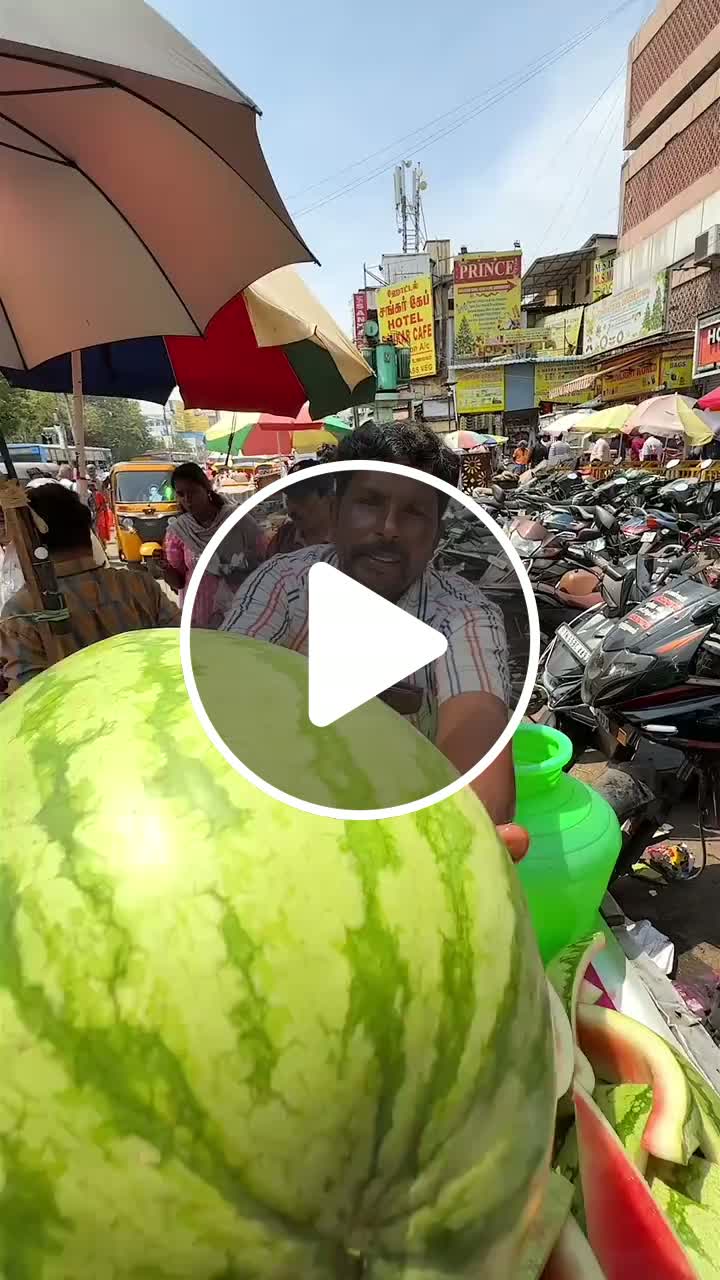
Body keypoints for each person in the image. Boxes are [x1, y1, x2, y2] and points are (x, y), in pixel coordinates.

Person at [222, 421, 516, 827]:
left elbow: (479, 756)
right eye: (370, 503)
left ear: (436, 536)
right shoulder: (284, 584)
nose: (389, 529)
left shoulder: (463, 615)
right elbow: (223, 698)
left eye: (414, 513)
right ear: (336, 512)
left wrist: (474, 828)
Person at [0, 484, 179, 695]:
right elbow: (179, 646)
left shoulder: (22, 613)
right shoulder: (141, 585)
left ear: (29, 542)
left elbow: (28, 699)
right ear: (86, 531)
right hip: (156, 707)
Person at [160, 462, 265, 628]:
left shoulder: (237, 520)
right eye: (181, 494)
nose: (187, 500)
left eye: (192, 492)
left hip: (240, 608)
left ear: (206, 488)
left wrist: (234, 571)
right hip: (199, 614)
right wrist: (164, 568)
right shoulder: (178, 531)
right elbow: (178, 582)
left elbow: (263, 559)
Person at [265, 460, 334, 558]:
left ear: (328, 498)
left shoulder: (348, 539)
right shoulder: (282, 538)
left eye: (301, 499)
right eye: (289, 498)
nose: (292, 510)